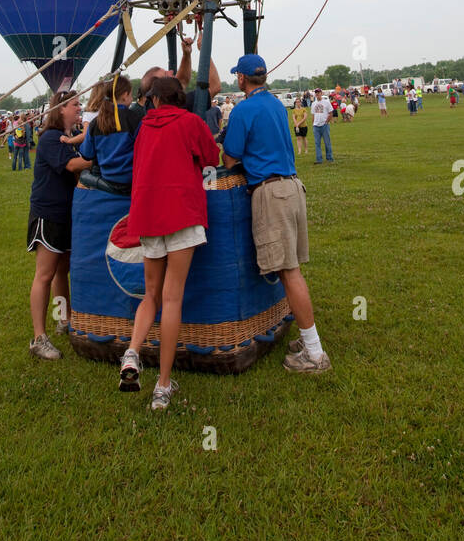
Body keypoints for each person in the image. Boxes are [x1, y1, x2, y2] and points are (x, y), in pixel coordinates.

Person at [222, 55, 330, 374]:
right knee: (291, 269)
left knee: (288, 271)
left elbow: (229, 159)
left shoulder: (243, 109)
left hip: (271, 192)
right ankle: (308, 339)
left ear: (242, 79)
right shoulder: (275, 105)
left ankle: (314, 353)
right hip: (293, 187)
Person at [117, 76, 220, 410]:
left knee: (151, 294)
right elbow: (210, 158)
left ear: (157, 100)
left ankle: (133, 350)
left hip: (147, 216)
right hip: (181, 213)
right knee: (172, 298)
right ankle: (162, 385)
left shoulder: (146, 127)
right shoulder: (190, 122)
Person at [27, 89, 83, 360]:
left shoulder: (69, 139)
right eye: (75, 104)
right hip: (48, 213)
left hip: (65, 213)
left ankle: (64, 319)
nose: (79, 108)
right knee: (45, 274)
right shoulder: (50, 138)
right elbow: (72, 166)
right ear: (60, 109)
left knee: (63, 271)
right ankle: (39, 337)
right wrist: (104, 157)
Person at [128, 30, 221, 133]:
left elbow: (182, 81)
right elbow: (215, 86)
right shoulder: (179, 104)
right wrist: (204, 51)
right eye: (166, 74)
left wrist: (186, 55)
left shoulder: (150, 107)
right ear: (161, 88)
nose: (171, 71)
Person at [71, 75, 140, 188]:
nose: (132, 98)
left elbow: (86, 154)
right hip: (131, 183)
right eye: (130, 94)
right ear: (124, 95)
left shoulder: (95, 123)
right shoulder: (134, 119)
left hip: (106, 182)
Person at [310, 87, 333, 163]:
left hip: (324, 125)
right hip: (316, 126)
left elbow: (330, 113)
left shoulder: (326, 102)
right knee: (317, 143)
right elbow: (313, 115)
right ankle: (319, 159)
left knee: (327, 142)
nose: (317, 94)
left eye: (318, 92)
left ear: (321, 93)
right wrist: (313, 123)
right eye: (316, 93)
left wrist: (326, 121)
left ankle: (329, 158)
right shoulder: (313, 104)